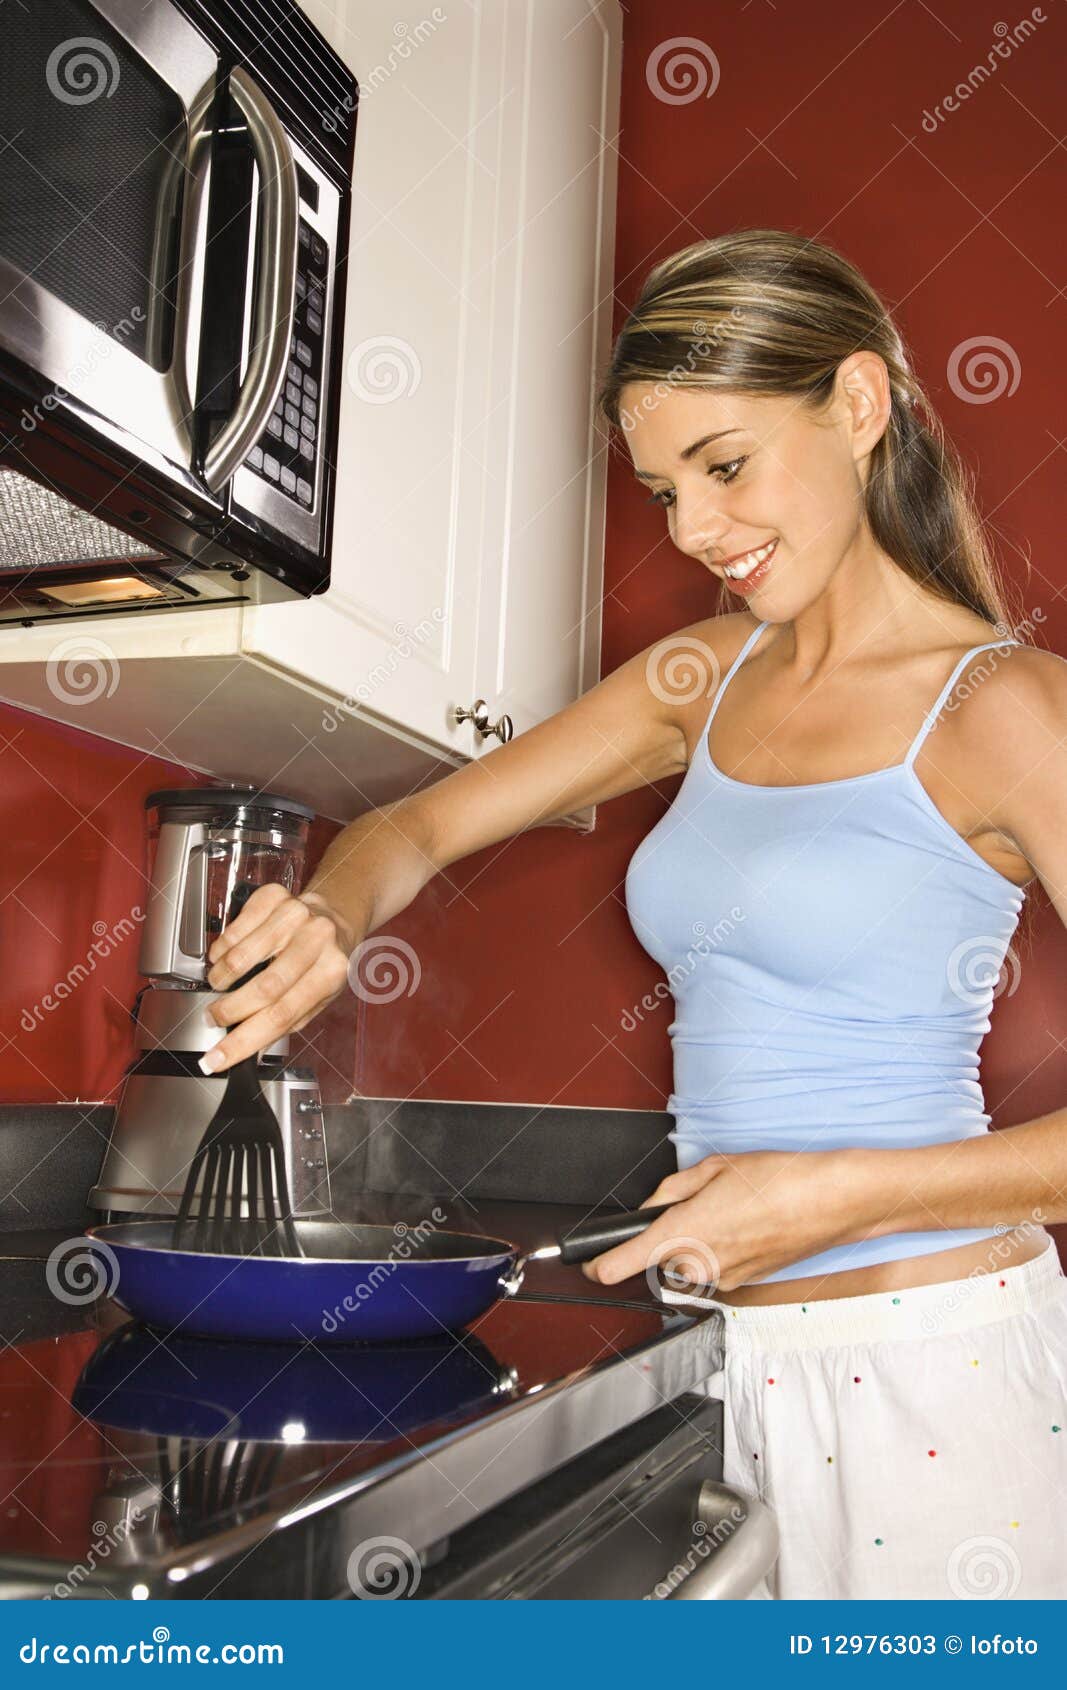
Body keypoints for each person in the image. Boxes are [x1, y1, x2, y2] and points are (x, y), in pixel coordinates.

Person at [195, 229, 1067, 1600]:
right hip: (720, 1361)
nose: (694, 530)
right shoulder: (700, 678)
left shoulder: (1009, 708)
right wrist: (333, 909)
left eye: (724, 466)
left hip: (935, 1378)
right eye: (663, 490)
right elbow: (414, 823)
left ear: (858, 402)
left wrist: (836, 1193)